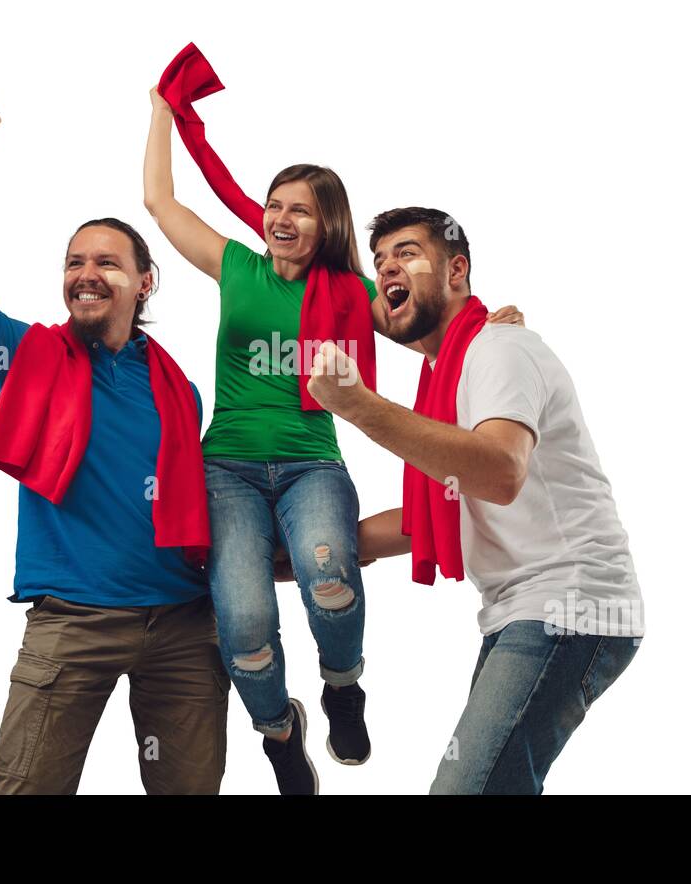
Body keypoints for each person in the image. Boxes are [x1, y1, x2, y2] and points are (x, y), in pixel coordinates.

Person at [144, 88, 522, 794]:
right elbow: (162, 205)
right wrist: (164, 112)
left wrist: (486, 319)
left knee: (330, 580)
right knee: (246, 623)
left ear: (326, 226)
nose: (282, 218)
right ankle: (280, 735)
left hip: (311, 464)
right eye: (274, 205)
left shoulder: (349, 290)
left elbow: (423, 325)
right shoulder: (238, 267)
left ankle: (343, 687)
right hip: (225, 466)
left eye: (301, 210)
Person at [0, 97, 227, 795]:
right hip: (72, 621)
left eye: (106, 263)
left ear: (144, 283)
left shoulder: (182, 391)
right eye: (74, 261)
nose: (85, 272)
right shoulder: (25, 356)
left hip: (184, 625)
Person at [305, 206, 647, 795]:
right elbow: (430, 521)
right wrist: (303, 555)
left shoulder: (498, 350)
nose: (389, 268)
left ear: (456, 270)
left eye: (408, 253)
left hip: (570, 603)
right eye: (381, 260)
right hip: (525, 610)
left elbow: (498, 471)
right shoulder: (448, 371)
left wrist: (358, 405)